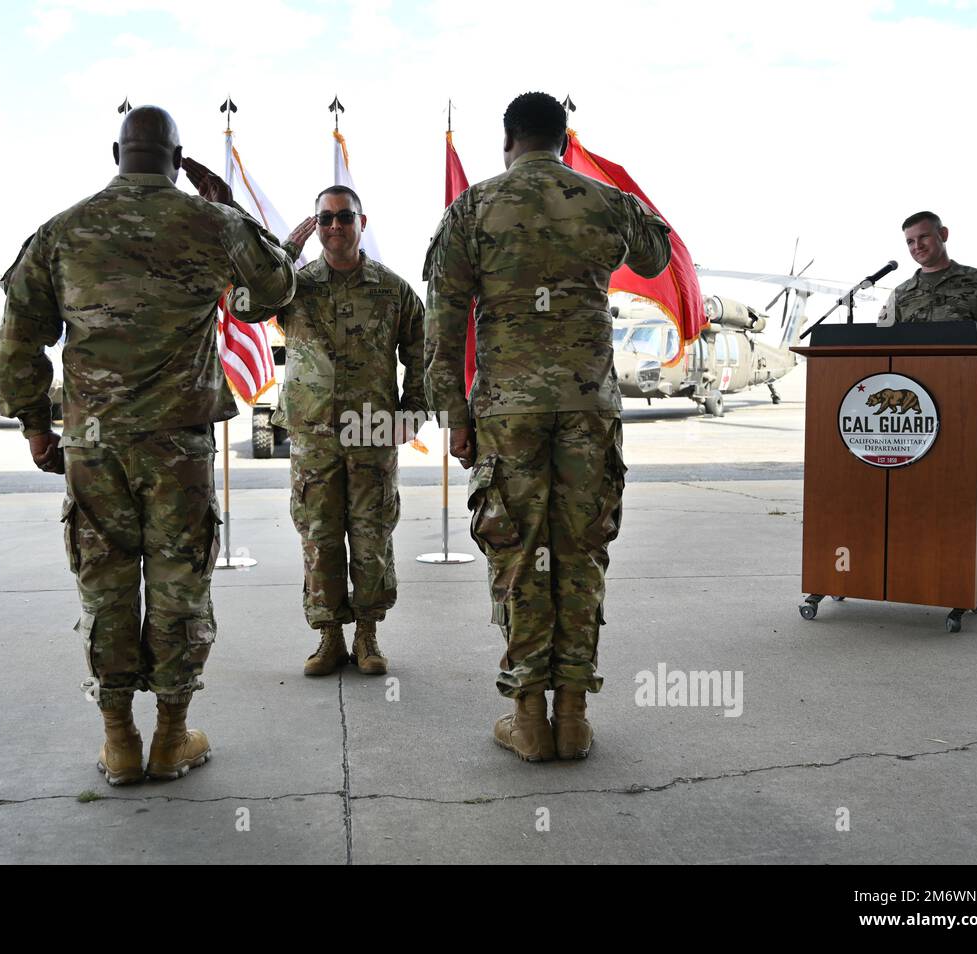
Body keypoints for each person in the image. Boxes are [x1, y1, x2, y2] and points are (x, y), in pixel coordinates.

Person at [0, 105, 296, 785]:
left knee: (104, 586)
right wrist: (228, 208)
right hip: (177, 445)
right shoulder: (209, 223)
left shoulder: (62, 231)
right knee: (178, 583)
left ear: (116, 152)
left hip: (94, 443)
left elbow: (21, 334)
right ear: (179, 156)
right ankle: (170, 736)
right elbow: (273, 291)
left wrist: (36, 426)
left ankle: (119, 741)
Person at [423, 91, 671, 762]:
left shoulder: (472, 209)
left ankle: (529, 719)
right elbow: (654, 258)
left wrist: (453, 415)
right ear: (563, 139)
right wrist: (615, 193)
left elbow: (442, 324)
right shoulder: (602, 202)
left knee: (520, 554)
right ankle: (575, 717)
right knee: (582, 551)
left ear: (508, 140)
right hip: (589, 408)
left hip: (508, 410)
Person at [231, 186, 426, 676]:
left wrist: (414, 410)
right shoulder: (294, 286)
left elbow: (423, 350)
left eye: (344, 217)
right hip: (313, 434)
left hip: (373, 432)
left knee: (370, 535)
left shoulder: (392, 289)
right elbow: (243, 305)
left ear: (363, 221)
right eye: (325, 219)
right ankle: (329, 637)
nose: (334, 226)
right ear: (314, 226)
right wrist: (285, 252)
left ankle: (367, 634)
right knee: (319, 535)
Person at [881, 211, 977, 362]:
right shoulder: (900, 293)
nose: (917, 246)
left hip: (965, 373)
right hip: (911, 380)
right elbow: (882, 338)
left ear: (943, 234)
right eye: (910, 241)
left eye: (924, 237)